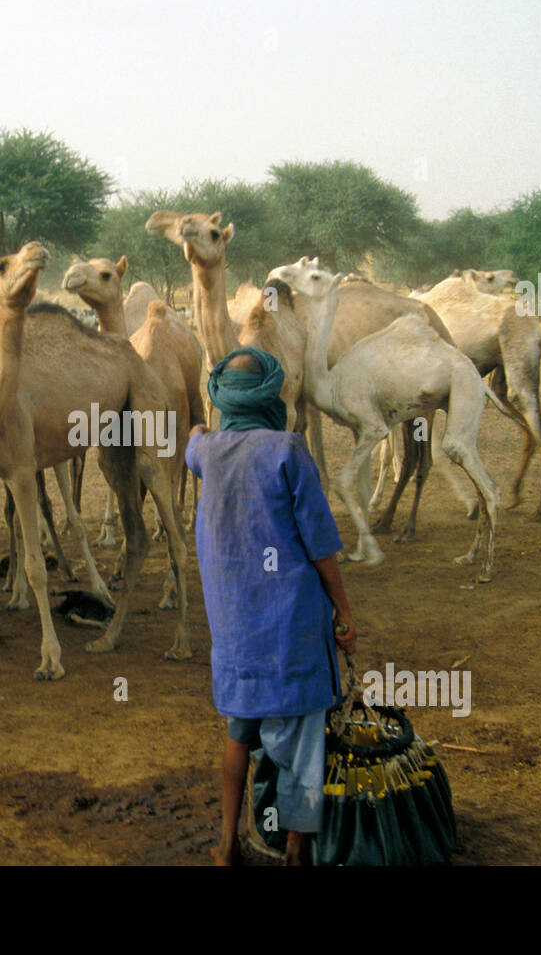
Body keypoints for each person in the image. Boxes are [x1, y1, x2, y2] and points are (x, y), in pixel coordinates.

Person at [185, 346, 356, 865]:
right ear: (270, 395)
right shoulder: (289, 450)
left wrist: (199, 428)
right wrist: (344, 611)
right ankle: (295, 851)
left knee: (239, 733)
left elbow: (193, 440)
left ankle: (226, 843)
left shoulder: (207, 452)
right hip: (292, 626)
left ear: (223, 400)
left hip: (235, 628)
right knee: (302, 744)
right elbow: (321, 542)